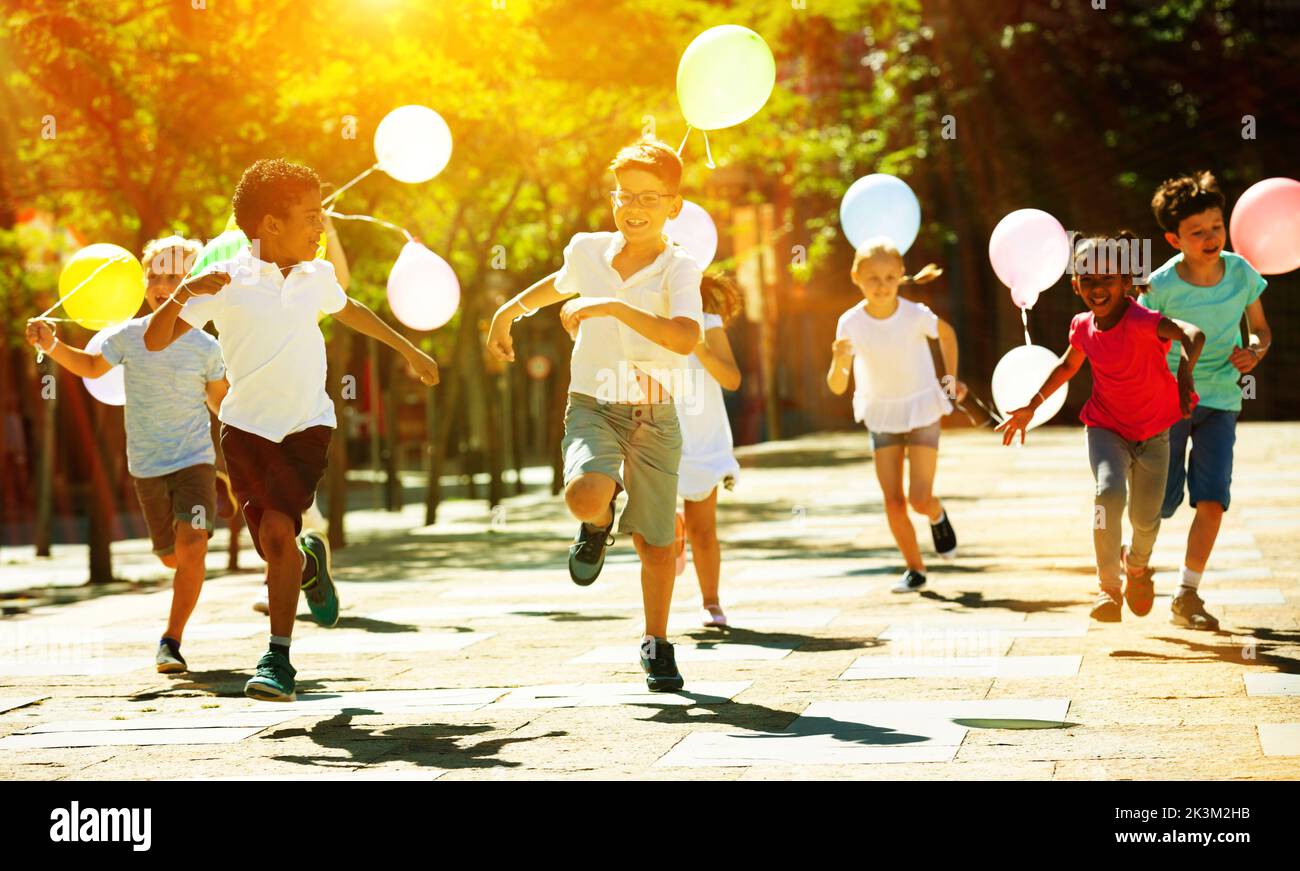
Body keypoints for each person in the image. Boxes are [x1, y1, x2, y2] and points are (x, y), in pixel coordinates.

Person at [143, 158, 439, 701]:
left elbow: (350, 310)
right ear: (270, 225)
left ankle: (277, 659)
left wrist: (408, 348)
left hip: (306, 425)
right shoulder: (225, 278)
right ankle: (309, 565)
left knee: (278, 534)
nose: (319, 227)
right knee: (275, 545)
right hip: (245, 431)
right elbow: (155, 341)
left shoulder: (315, 276)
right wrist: (185, 291)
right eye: (310, 216)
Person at [487, 138, 704, 692]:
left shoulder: (680, 267)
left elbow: (684, 337)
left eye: (650, 198)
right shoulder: (587, 250)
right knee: (584, 493)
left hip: (655, 416)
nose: (635, 206)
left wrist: (610, 306)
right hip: (593, 404)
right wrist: (509, 311)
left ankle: (656, 643)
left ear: (673, 206)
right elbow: (557, 285)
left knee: (657, 545)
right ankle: (598, 521)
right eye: (625, 194)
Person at [26, 235, 228, 674]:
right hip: (148, 469)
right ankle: (184, 576)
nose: (162, 283)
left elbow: (224, 406)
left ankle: (170, 641)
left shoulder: (207, 348)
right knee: (171, 556)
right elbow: (92, 368)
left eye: (174, 275)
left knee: (192, 545)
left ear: (193, 283)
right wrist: (51, 346)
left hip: (195, 462)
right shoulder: (128, 336)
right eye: (155, 274)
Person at [997, 233, 1205, 623]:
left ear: (1126, 283)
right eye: (1087, 280)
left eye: (1107, 278)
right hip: (1106, 427)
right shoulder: (1081, 326)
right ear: (1076, 285)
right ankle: (1108, 588)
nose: (1097, 288)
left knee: (1147, 519)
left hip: (1155, 432)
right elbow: (1067, 366)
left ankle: (1137, 566)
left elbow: (1193, 334)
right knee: (1107, 495)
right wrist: (1031, 407)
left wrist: (1185, 371)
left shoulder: (1143, 321)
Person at [1138, 171, 1272, 630]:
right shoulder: (1158, 287)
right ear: (1174, 238)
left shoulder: (1241, 273)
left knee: (1212, 498)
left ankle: (1186, 593)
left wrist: (1254, 350)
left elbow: (1261, 329)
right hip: (1168, 402)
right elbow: (1136, 339)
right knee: (1161, 503)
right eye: (1198, 232)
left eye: (1216, 226)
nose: (1211, 237)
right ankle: (1134, 561)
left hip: (1220, 397)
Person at [826, 238, 965, 593]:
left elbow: (947, 335)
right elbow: (837, 386)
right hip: (880, 412)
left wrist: (950, 377)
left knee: (919, 497)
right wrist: (840, 360)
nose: (881, 285)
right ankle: (914, 568)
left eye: (889, 277)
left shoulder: (915, 314)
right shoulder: (850, 322)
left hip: (921, 407)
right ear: (856, 277)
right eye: (872, 278)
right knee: (893, 499)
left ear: (901, 276)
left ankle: (936, 514)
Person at [675, 271, 742, 628]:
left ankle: (711, 602)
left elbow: (732, 379)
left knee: (703, 529)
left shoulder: (708, 322)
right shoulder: (641, 313)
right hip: (658, 431)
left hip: (701, 437)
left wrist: (699, 347)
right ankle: (673, 538)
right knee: (656, 528)